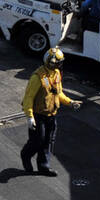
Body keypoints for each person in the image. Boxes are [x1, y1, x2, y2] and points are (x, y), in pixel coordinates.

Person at [20, 46, 80, 176]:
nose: (60, 64)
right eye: (58, 62)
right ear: (52, 62)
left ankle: (43, 166)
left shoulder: (57, 73)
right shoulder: (37, 77)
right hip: (38, 115)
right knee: (37, 141)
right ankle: (25, 155)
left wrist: (70, 102)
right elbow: (28, 98)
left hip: (51, 114)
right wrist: (30, 116)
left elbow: (58, 93)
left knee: (48, 141)